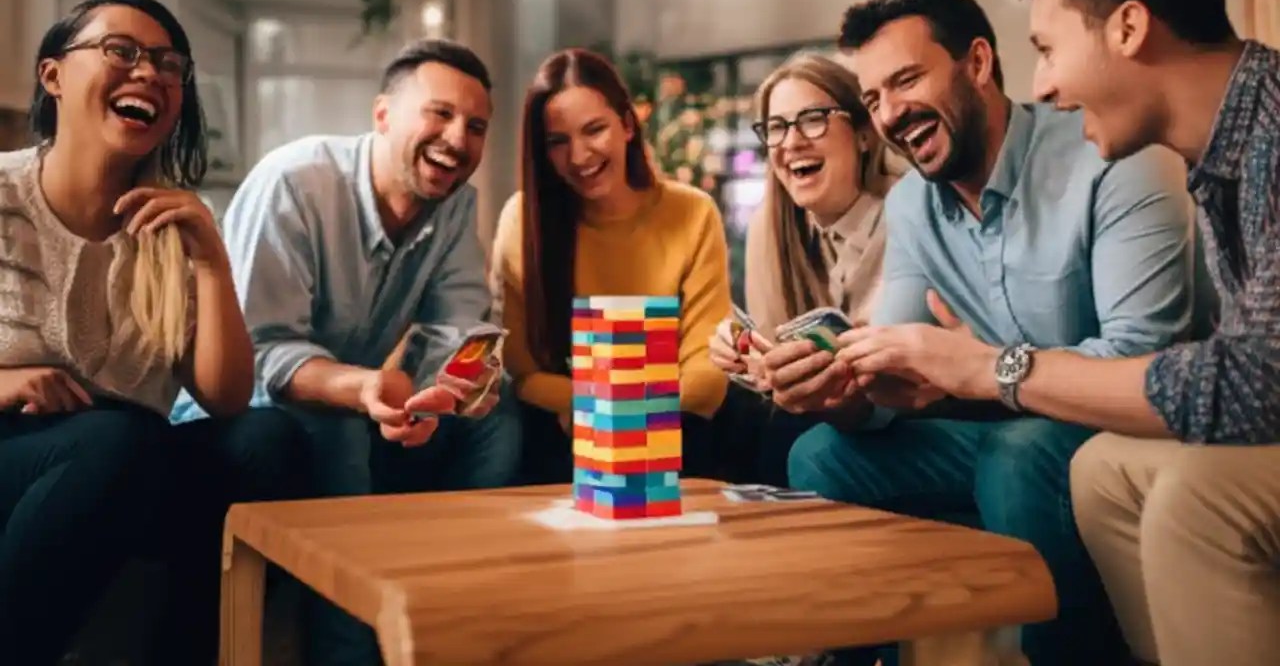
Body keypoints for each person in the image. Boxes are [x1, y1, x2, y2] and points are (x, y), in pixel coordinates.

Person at [876, 0, 1280, 664]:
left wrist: (994, 370)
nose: (1044, 85)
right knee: (1101, 474)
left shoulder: (1268, 133)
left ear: (1128, 29)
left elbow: (1252, 381)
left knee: (1196, 497)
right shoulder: (1219, 154)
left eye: (1048, 49)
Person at [784, 0, 1200, 665]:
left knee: (1018, 454)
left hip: (1116, 434)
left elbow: (1145, 357)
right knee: (819, 453)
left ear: (977, 63)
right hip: (1002, 436)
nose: (889, 114)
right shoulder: (913, 204)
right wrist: (846, 389)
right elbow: (901, 371)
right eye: (872, 98)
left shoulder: (1111, 156)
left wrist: (980, 369)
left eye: (907, 80)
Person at [171, 38, 522, 665]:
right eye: (439, 114)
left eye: (475, 126)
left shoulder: (452, 207)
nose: (458, 140)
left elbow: (458, 329)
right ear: (383, 115)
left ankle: (456, 618)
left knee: (497, 421)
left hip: (356, 398)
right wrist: (363, 390)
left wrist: (444, 389)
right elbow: (260, 352)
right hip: (237, 406)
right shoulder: (297, 181)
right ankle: (349, 653)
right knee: (340, 437)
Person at [0, 0, 299, 665]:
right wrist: (8, 382)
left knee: (268, 438)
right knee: (120, 436)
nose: (150, 74)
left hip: (124, 461)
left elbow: (225, 398)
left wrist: (210, 260)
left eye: (169, 65)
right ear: (53, 76)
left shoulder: (172, 225)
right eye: (121, 52)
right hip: (16, 454)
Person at [490, 48, 732, 484]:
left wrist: (619, 408)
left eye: (594, 130)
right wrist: (593, 406)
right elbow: (520, 370)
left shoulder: (693, 213)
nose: (579, 155)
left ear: (626, 124)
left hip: (671, 429)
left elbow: (706, 375)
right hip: (560, 431)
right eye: (557, 142)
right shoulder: (522, 219)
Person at [706, 53, 903, 486]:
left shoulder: (909, 213)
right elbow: (779, 365)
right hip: (824, 414)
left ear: (865, 134)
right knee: (742, 415)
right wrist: (747, 358)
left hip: (899, 411)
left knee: (786, 431)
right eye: (776, 128)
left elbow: (892, 376)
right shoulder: (772, 227)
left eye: (812, 119)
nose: (791, 142)